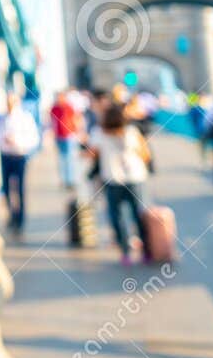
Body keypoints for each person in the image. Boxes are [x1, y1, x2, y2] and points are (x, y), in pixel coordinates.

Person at [86, 102, 152, 265]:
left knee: (117, 216)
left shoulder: (98, 133)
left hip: (112, 179)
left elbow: (92, 154)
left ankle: (125, 253)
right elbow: (146, 155)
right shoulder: (131, 132)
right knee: (138, 214)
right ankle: (146, 252)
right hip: (135, 177)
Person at [0, 93, 40, 235]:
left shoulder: (25, 118)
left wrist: (17, 141)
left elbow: (33, 139)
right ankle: (11, 215)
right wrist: (3, 139)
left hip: (19, 156)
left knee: (19, 189)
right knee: (6, 188)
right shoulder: (1, 119)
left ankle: (20, 220)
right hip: (6, 156)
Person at [49, 91, 85, 189]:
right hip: (59, 136)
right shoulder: (54, 108)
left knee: (69, 158)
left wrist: (77, 130)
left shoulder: (69, 107)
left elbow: (76, 119)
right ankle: (64, 179)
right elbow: (52, 121)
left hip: (68, 135)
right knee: (62, 158)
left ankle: (70, 180)